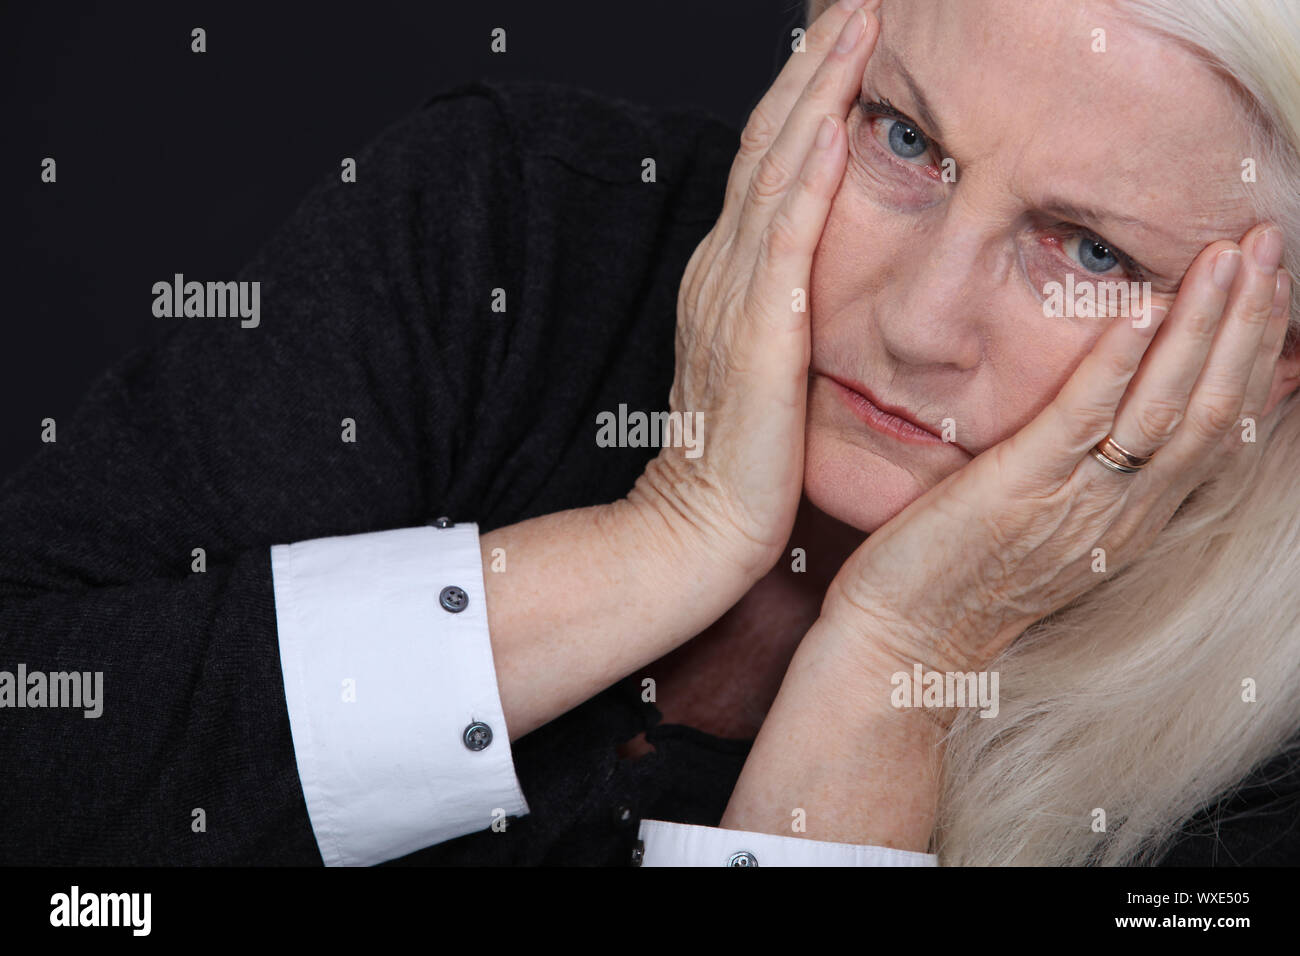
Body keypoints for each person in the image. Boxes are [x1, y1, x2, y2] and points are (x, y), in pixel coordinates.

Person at [3, 0, 1299, 866]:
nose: (919, 323)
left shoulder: (1256, 774)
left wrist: (898, 662)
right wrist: (670, 536)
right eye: (903, 140)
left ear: (1277, 356)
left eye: (1086, 252)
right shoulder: (515, 228)